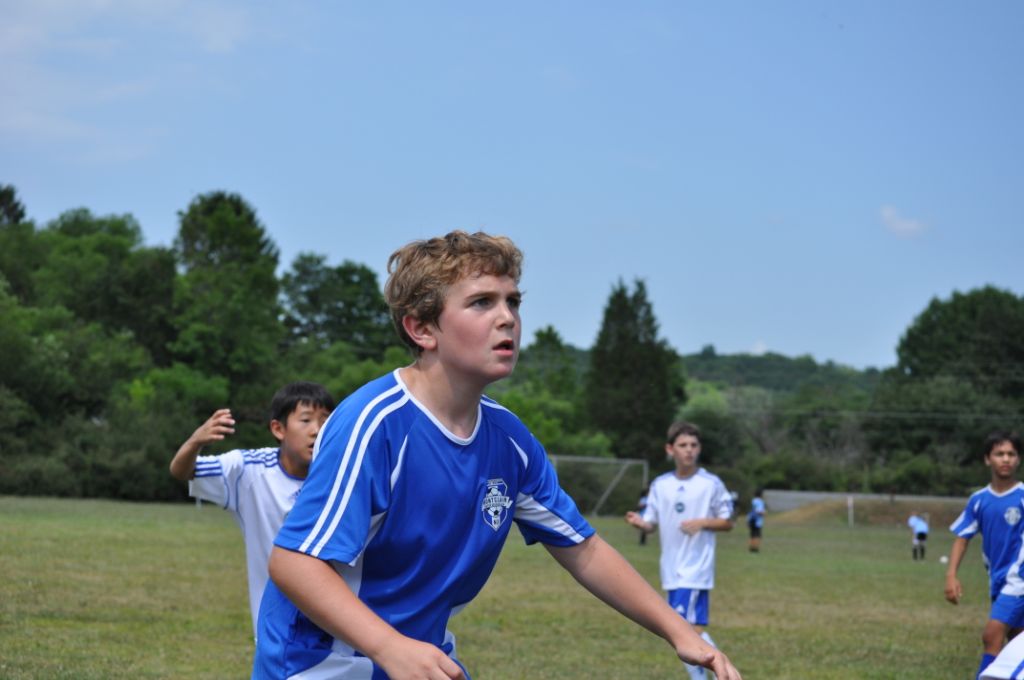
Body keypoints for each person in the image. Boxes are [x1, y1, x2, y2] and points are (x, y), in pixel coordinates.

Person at [252, 231, 741, 680]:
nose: (507, 317)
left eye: (512, 301)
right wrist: (388, 646)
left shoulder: (509, 440)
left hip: (420, 656)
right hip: (321, 663)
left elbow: (583, 548)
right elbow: (295, 562)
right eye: (482, 302)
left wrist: (681, 633)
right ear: (422, 328)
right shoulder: (374, 424)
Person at [169, 381, 335, 637]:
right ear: (278, 429)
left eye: (325, 420)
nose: (317, 430)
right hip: (275, 624)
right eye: (306, 420)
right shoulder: (248, 469)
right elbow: (182, 471)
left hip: (336, 619)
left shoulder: (342, 474)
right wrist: (196, 441)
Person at [625, 421, 736, 679]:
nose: (689, 450)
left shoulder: (711, 483)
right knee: (688, 630)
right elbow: (651, 522)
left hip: (696, 568)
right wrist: (640, 523)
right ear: (670, 449)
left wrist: (703, 522)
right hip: (671, 569)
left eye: (694, 445)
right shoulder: (661, 484)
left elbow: (728, 521)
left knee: (684, 632)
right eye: (683, 445)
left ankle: (719, 674)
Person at [947, 431, 1024, 679]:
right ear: (987, 459)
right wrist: (951, 576)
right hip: (998, 581)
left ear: (1018, 460)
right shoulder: (979, 500)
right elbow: (962, 538)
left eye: (1011, 454)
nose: (1006, 459)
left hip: (1019, 579)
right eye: (999, 454)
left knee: (991, 635)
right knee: (1016, 643)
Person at [747, 489, 766, 553]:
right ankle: (755, 549)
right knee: (757, 535)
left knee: (752, 535)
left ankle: (751, 548)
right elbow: (759, 511)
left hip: (751, 520)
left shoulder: (753, 501)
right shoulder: (760, 501)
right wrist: (764, 513)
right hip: (757, 521)